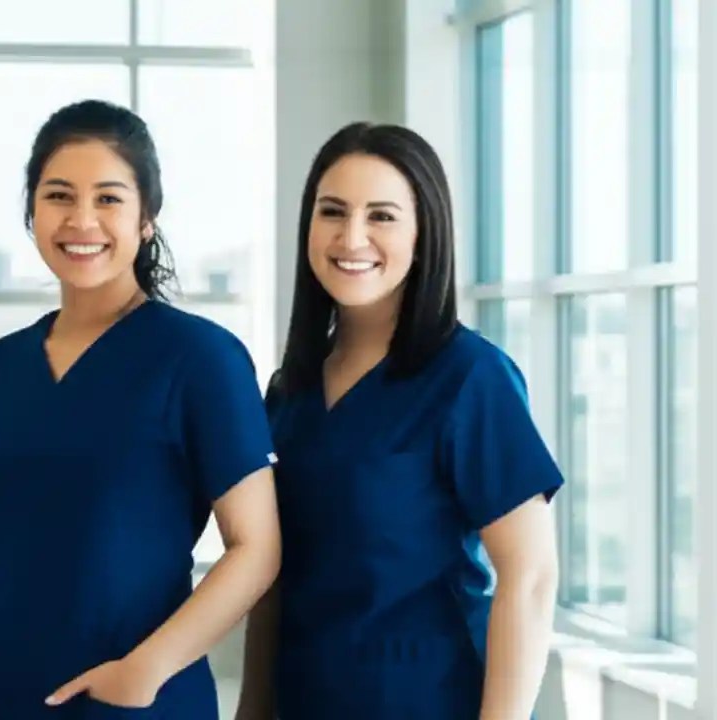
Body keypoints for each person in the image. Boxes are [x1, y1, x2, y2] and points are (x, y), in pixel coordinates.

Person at [0, 99, 282, 719]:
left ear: (146, 220)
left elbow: (256, 547)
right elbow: (8, 528)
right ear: (31, 213)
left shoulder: (199, 359)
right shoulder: (1, 365)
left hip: (130, 697)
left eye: (108, 198)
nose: (82, 220)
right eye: (59, 196)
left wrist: (150, 668)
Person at [236, 122, 564, 719]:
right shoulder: (290, 391)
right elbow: (270, 574)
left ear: (423, 234)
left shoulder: (470, 378)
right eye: (331, 211)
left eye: (382, 216)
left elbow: (532, 575)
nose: (351, 236)